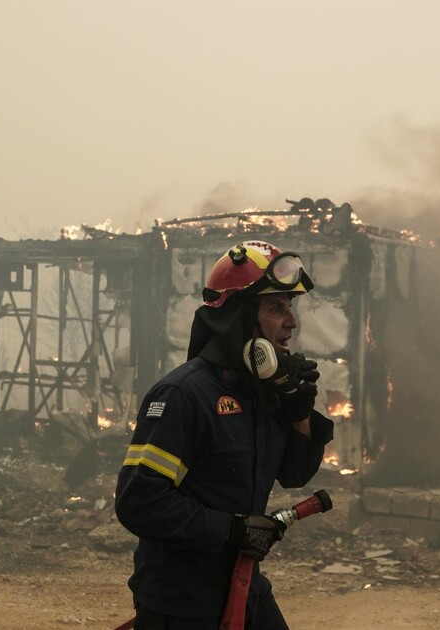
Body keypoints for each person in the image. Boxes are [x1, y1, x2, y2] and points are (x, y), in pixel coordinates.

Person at [115, 240, 334, 629]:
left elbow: (296, 473)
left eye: (290, 309)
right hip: (182, 599)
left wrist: (299, 410)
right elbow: (139, 501)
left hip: (244, 586)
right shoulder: (183, 395)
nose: (292, 322)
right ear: (239, 318)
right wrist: (232, 530)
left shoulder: (262, 393)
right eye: (275, 309)